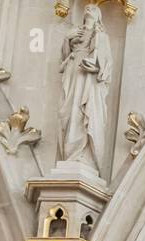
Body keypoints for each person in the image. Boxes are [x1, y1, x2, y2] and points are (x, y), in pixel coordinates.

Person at [58, 4, 113, 175]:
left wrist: (95, 68)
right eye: (86, 8)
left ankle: (84, 155)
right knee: (68, 111)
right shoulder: (75, 33)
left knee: (85, 111)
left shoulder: (100, 36)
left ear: (98, 17)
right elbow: (64, 56)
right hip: (73, 72)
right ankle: (70, 153)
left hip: (88, 79)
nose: (88, 9)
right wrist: (67, 40)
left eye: (93, 9)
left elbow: (106, 63)